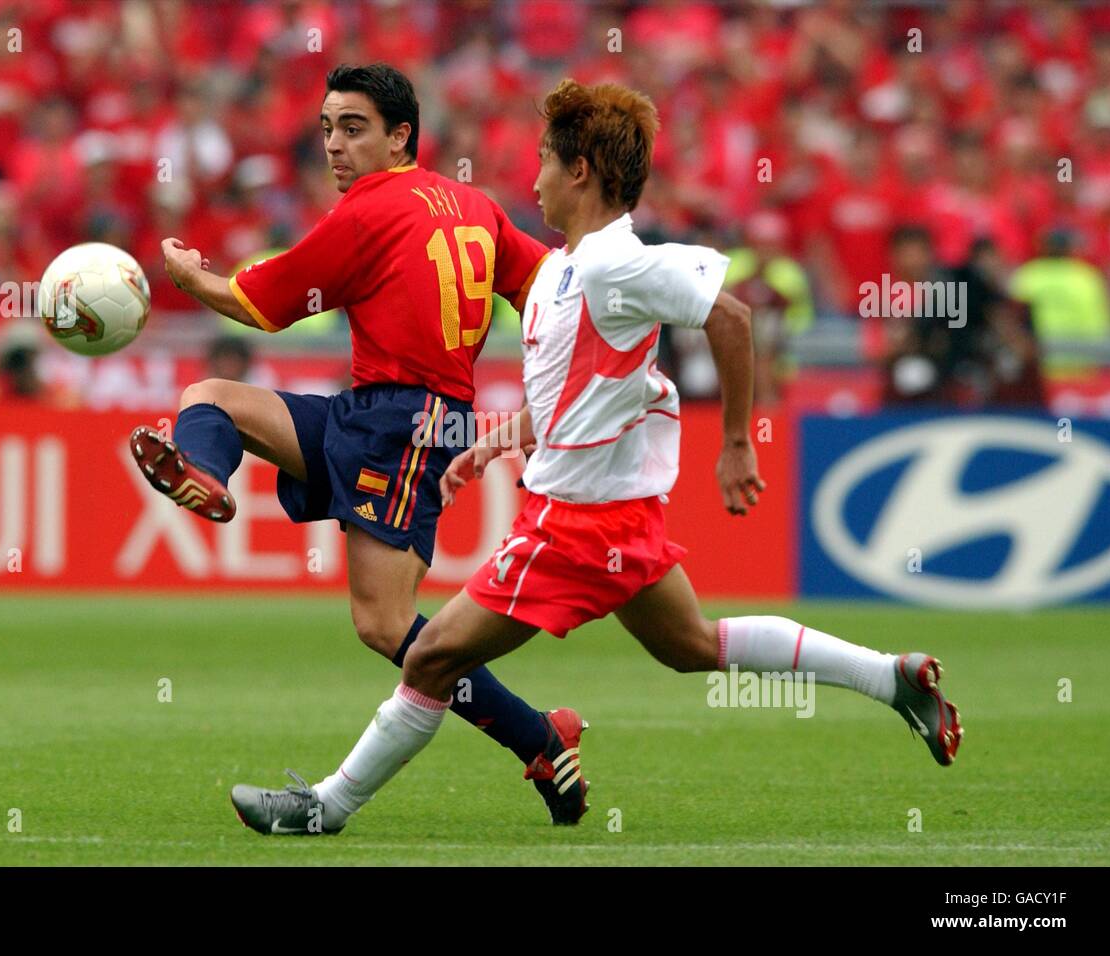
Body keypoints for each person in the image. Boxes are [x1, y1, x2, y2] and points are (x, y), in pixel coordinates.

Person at [230, 79, 964, 836]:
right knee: (691, 646)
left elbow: (731, 316)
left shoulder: (616, 263)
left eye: (547, 160)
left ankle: (326, 807)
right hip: (620, 519)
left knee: (430, 658)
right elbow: (582, 395)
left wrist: (739, 440)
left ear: (580, 172)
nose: (535, 179)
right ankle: (891, 677)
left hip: (572, 526)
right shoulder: (562, 273)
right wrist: (492, 443)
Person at [128, 64, 588, 825]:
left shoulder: (371, 210)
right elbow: (546, 286)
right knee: (207, 400)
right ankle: (207, 476)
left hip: (407, 425)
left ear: (400, 135)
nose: (334, 147)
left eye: (353, 129)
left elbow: (256, 303)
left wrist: (187, 274)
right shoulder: (476, 206)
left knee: (385, 625)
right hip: (370, 412)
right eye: (327, 130)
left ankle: (540, 738)